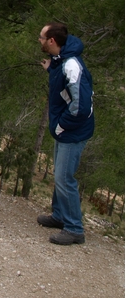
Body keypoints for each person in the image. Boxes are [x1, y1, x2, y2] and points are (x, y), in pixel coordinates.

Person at [37, 23, 95, 245]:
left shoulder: (71, 65)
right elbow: (63, 85)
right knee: (60, 175)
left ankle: (74, 228)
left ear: (51, 40)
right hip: (66, 129)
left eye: (41, 38)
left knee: (64, 177)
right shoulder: (61, 58)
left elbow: (81, 107)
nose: (39, 41)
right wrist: (51, 69)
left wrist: (62, 125)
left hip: (73, 130)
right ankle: (60, 215)